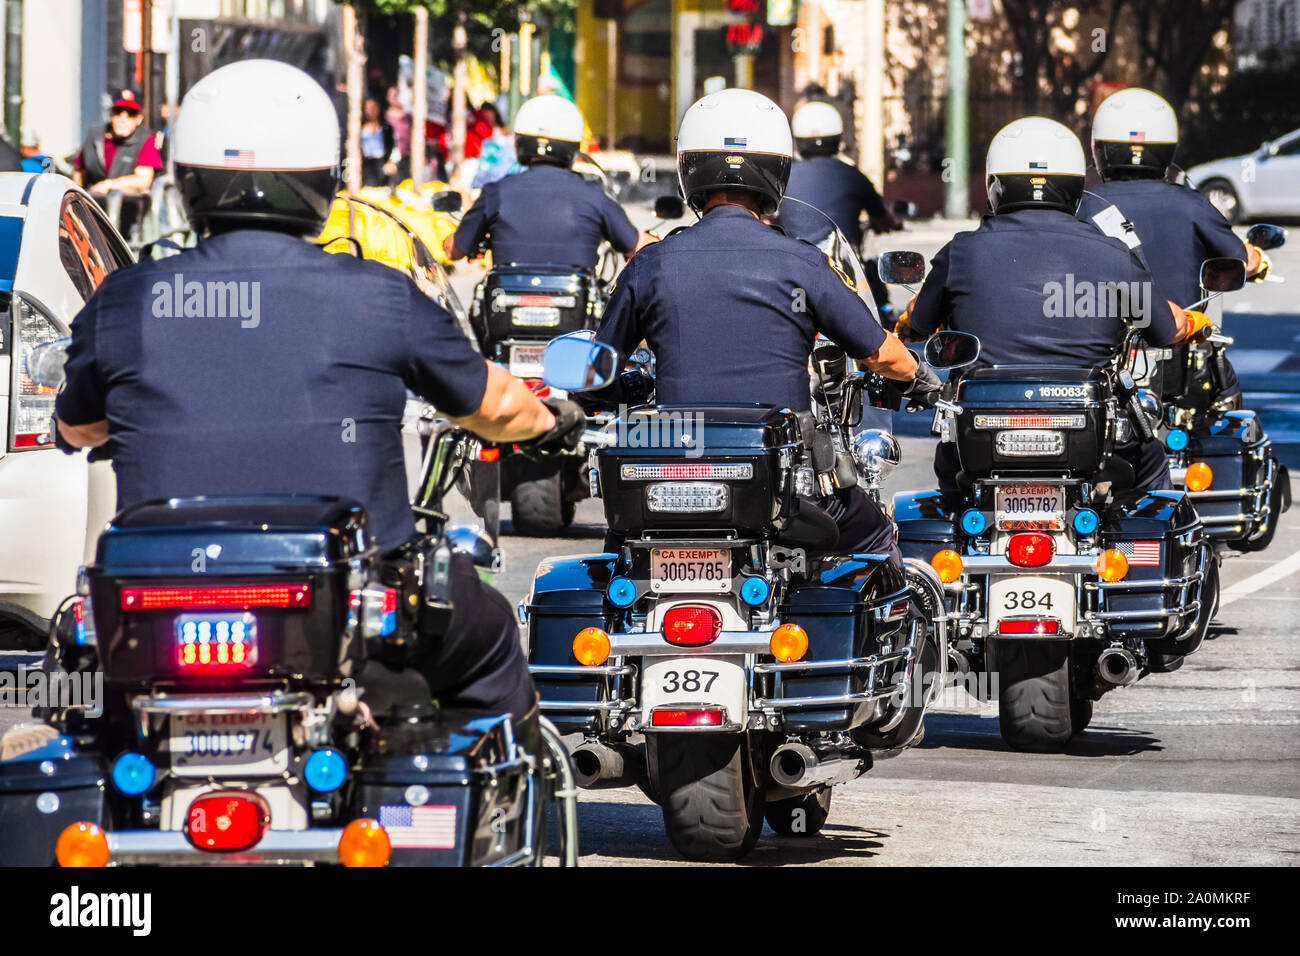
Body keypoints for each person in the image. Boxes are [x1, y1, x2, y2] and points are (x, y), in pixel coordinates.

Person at [53, 60, 585, 733]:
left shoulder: (125, 301)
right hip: (355, 614)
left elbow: (77, 429)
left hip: (157, 613)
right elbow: (499, 406)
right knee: (492, 637)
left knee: (82, 716)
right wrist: (552, 421)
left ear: (186, 182)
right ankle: (490, 825)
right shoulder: (378, 293)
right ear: (322, 181)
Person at [591, 89, 934, 564]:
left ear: (690, 171)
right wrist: (920, 376)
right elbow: (881, 354)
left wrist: (605, 392)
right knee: (876, 539)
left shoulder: (652, 264)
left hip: (665, 488)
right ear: (776, 173)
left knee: (614, 567)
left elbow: (594, 374)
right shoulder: (803, 262)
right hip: (782, 493)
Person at [897, 116, 1202, 500]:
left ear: (995, 185)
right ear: (1075, 187)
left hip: (982, 429)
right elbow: (1164, 329)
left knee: (949, 471)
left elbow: (919, 324)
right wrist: (1193, 321)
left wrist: (910, 320)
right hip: (1087, 429)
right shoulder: (1112, 254)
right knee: (1151, 462)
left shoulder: (962, 250)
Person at [1078, 87, 1270, 406]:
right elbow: (1243, 261)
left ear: (1099, 149)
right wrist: (1260, 258)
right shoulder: (1191, 203)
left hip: (1102, 351)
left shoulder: (1083, 206)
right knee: (1229, 403)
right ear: (1168, 149)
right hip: (1180, 345)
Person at [443, 94, 641, 269]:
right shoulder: (592, 193)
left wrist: (446, 241)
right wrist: (663, 243)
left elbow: (455, 251)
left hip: (503, 305)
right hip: (577, 306)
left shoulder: (496, 192)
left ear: (520, 142)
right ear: (572, 147)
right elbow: (636, 245)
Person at [785, 100, 901, 318]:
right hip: (844, 271)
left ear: (799, 142)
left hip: (793, 273)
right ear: (838, 140)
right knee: (873, 281)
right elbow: (883, 218)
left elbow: (766, 215)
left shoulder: (784, 177)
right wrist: (893, 223)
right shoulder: (852, 175)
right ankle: (884, 322)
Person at [72, 94, 164, 238]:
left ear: (138, 119)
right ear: (111, 115)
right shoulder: (95, 135)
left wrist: (109, 185)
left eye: (130, 114)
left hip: (129, 214)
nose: (123, 119)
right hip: (94, 210)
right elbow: (79, 171)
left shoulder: (146, 138)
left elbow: (143, 180)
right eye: (118, 112)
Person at [360, 96, 398, 187]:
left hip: (381, 163)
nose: (371, 111)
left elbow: (395, 147)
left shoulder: (387, 129)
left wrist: (392, 161)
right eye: (368, 108)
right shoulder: (359, 129)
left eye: (374, 107)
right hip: (365, 164)